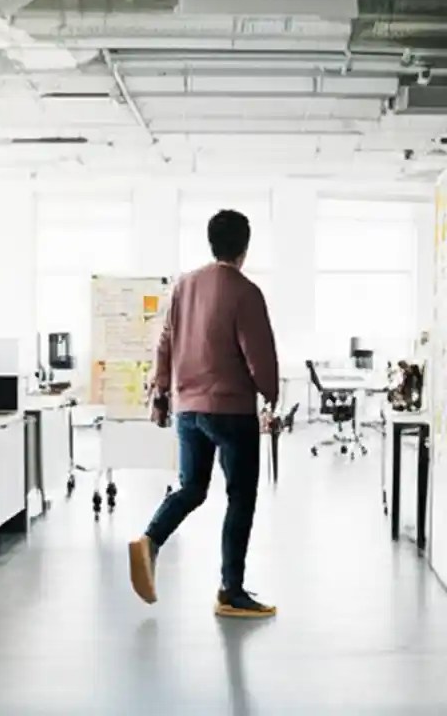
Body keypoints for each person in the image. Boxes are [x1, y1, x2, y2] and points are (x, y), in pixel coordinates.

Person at [128, 209, 279, 618]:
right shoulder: (245, 292)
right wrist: (271, 394)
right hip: (230, 410)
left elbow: (165, 342)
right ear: (244, 248)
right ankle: (231, 592)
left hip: (187, 409)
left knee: (192, 487)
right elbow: (258, 354)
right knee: (241, 496)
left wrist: (161, 390)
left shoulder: (183, 286)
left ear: (211, 243)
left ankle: (150, 538)